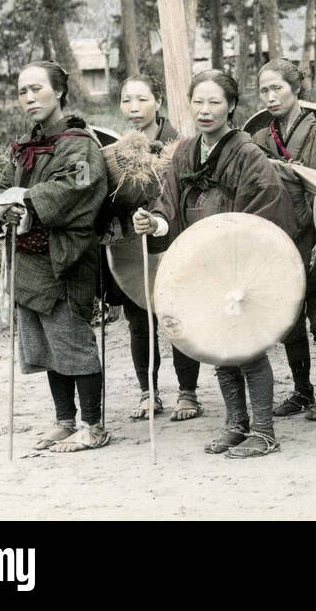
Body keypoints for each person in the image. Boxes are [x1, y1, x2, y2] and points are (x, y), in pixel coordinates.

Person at [133, 70, 295, 459]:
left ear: (232, 106)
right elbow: (168, 205)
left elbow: (265, 210)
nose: (205, 111)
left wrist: (230, 245)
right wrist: (153, 222)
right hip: (202, 266)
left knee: (248, 349)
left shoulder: (248, 154)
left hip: (240, 266)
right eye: (198, 102)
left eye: (215, 103)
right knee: (218, 346)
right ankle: (235, 423)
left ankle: (264, 430)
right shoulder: (186, 152)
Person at [0, 60, 110, 453]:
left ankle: (93, 426)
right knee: (45, 342)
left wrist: (24, 199)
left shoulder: (78, 143)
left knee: (71, 339)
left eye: (37, 89)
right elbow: (4, 186)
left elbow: (76, 190)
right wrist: (3, 207)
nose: (29, 98)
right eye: (22, 91)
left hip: (65, 258)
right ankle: (65, 420)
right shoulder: (26, 145)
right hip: (29, 258)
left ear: (59, 91)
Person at [250, 59, 316, 423]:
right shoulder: (261, 139)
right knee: (289, 319)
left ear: (297, 88)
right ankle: (301, 390)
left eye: (277, 87)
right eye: (263, 90)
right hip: (281, 238)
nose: (270, 97)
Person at [107, 74, 203, 424]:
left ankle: (187, 391)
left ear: (158, 102)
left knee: (177, 315)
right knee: (139, 320)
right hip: (133, 244)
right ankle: (149, 391)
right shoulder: (115, 151)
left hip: (174, 236)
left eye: (142, 99)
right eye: (126, 99)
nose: (134, 107)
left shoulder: (181, 144)